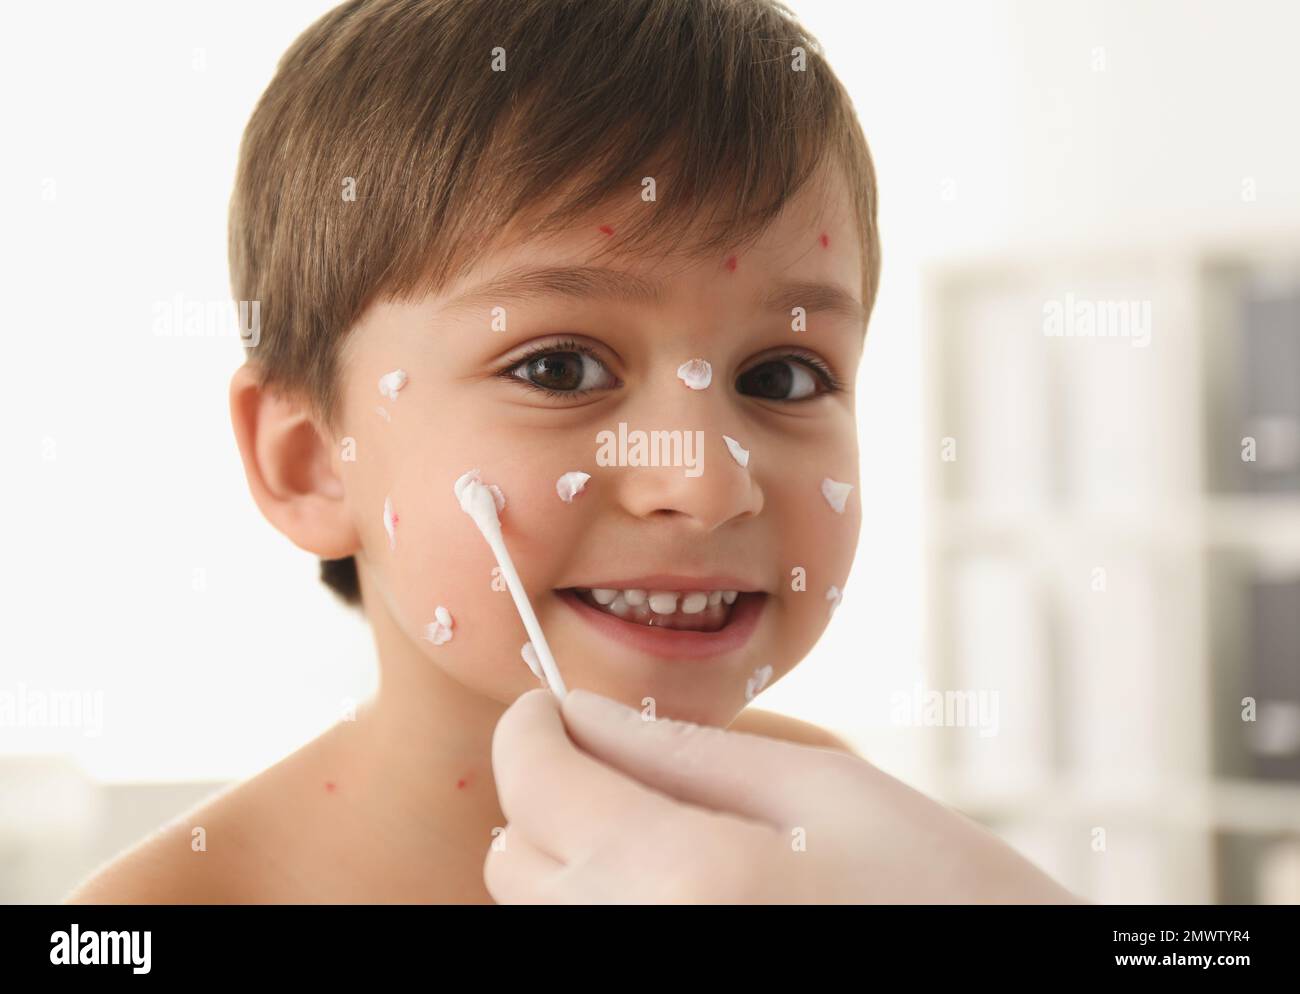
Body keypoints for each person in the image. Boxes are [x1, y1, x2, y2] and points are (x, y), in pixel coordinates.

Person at [64, 0, 1074, 904]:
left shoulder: (819, 832)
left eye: (782, 377)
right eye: (556, 369)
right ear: (310, 461)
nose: (706, 483)